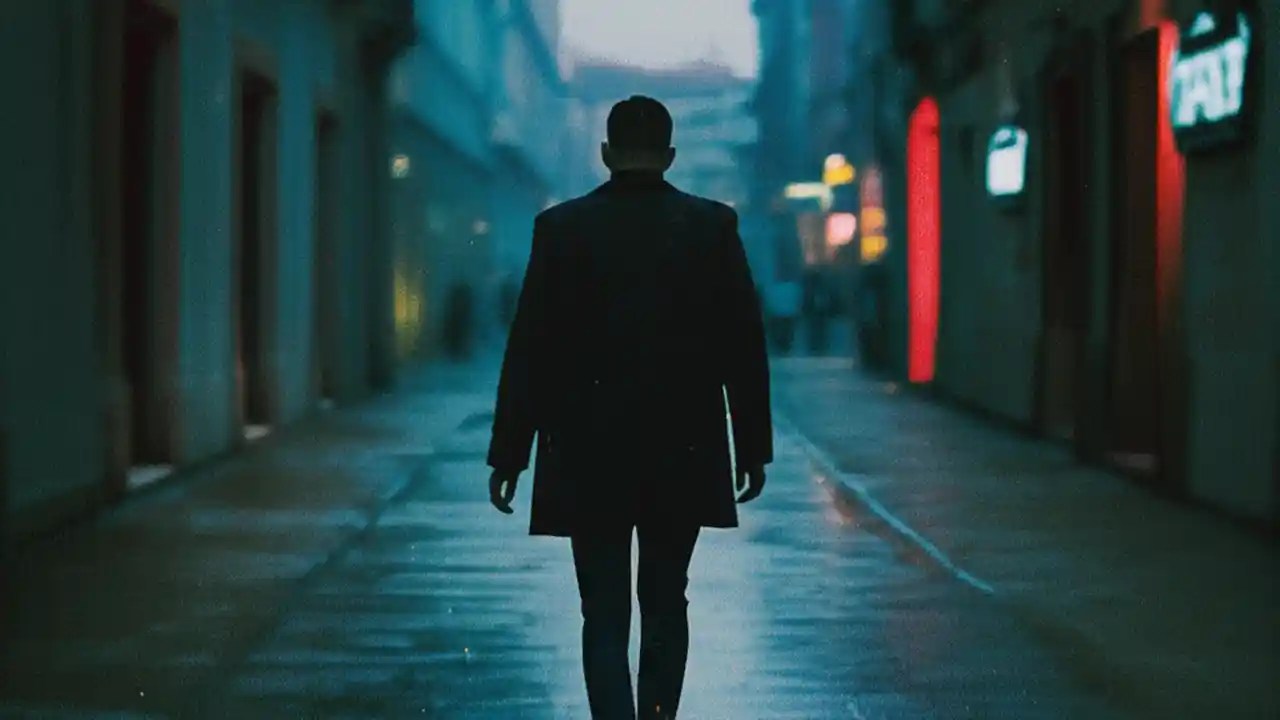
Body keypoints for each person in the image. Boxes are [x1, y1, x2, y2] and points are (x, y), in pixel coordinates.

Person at [486, 95, 773, 720]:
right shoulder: (711, 227)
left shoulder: (561, 228)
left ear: (606, 153)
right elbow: (742, 345)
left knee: (604, 608)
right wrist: (753, 447)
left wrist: (509, 453)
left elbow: (531, 347)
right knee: (668, 597)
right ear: (670, 155)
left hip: (588, 451)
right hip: (684, 448)